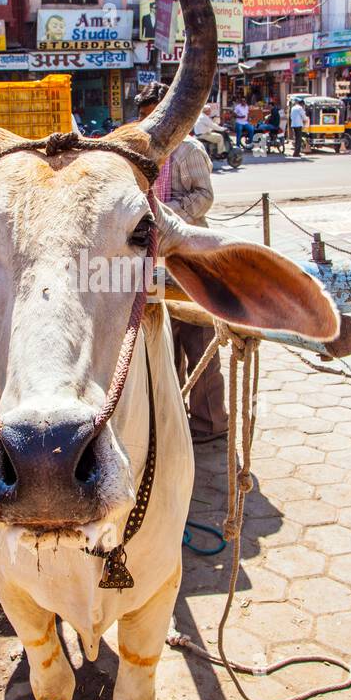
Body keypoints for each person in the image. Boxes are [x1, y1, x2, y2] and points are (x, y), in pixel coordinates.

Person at [136, 83, 227, 443]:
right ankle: (169, 419)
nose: (151, 125)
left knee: (200, 338)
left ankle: (209, 423)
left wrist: (163, 218)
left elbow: (204, 198)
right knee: (163, 340)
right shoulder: (139, 154)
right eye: (145, 117)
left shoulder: (188, 149)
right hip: (154, 262)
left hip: (188, 257)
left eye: (157, 116)